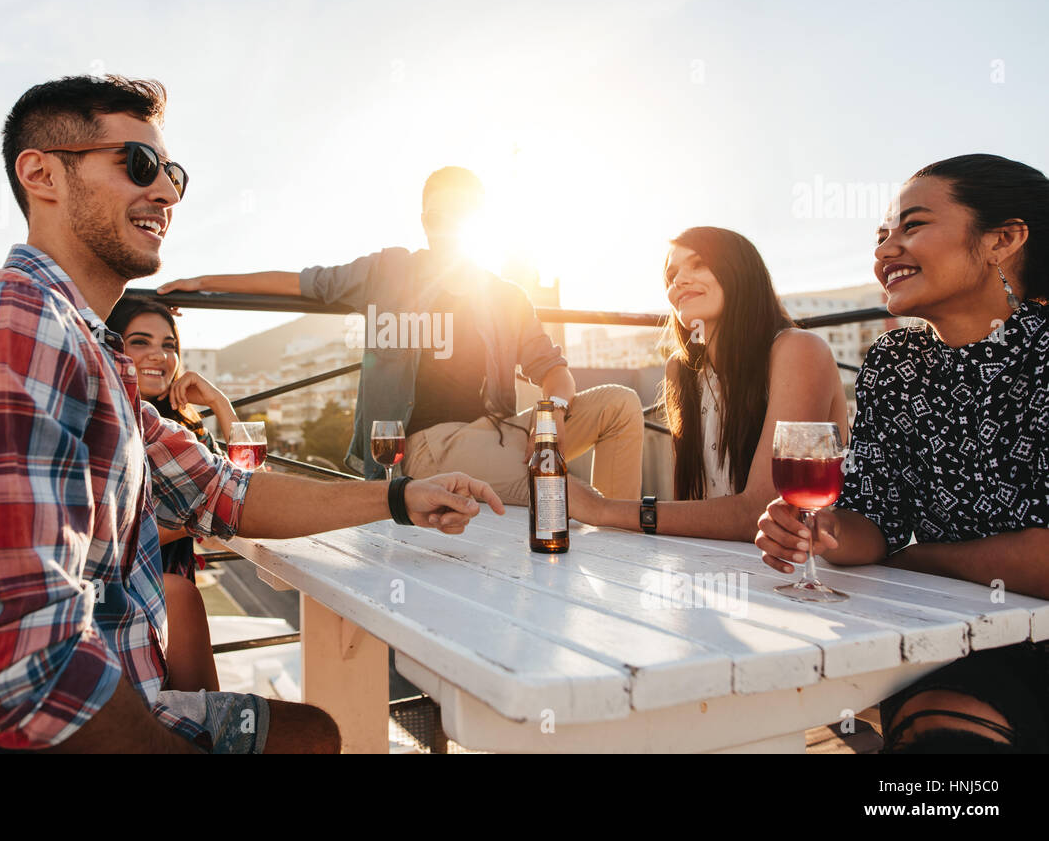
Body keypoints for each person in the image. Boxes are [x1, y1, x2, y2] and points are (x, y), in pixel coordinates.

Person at [0, 75, 504, 755]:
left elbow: (226, 491)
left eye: (173, 175)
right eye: (138, 165)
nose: (165, 193)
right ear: (41, 174)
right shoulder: (6, 323)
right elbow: (27, 680)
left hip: (115, 691)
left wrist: (401, 495)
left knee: (313, 735)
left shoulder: (91, 354)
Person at [756, 154, 1049, 753]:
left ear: (1004, 239)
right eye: (882, 235)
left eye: (912, 226)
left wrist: (918, 562)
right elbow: (874, 522)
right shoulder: (896, 363)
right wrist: (825, 531)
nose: (886, 250)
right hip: (948, 635)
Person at [158, 166, 645, 506]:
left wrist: (553, 412)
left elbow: (554, 371)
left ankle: (619, 539)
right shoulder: (390, 271)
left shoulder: (505, 296)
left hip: (498, 435)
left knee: (619, 406)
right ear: (423, 221)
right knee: (563, 493)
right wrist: (204, 282)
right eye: (435, 215)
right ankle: (618, 537)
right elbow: (302, 281)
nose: (445, 225)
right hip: (421, 448)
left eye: (459, 214)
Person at [568, 227, 846, 539]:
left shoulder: (797, 349)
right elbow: (691, 504)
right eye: (672, 274)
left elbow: (764, 513)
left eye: (698, 264)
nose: (678, 281)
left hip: (802, 565)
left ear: (740, 272)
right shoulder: (680, 370)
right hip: (716, 563)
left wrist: (600, 509)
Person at [107, 296, 235, 693]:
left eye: (169, 345)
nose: (159, 356)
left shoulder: (184, 428)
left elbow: (246, 488)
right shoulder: (106, 420)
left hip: (172, 583)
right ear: (112, 347)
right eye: (140, 342)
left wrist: (219, 403)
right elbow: (118, 531)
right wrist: (202, 516)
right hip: (122, 586)